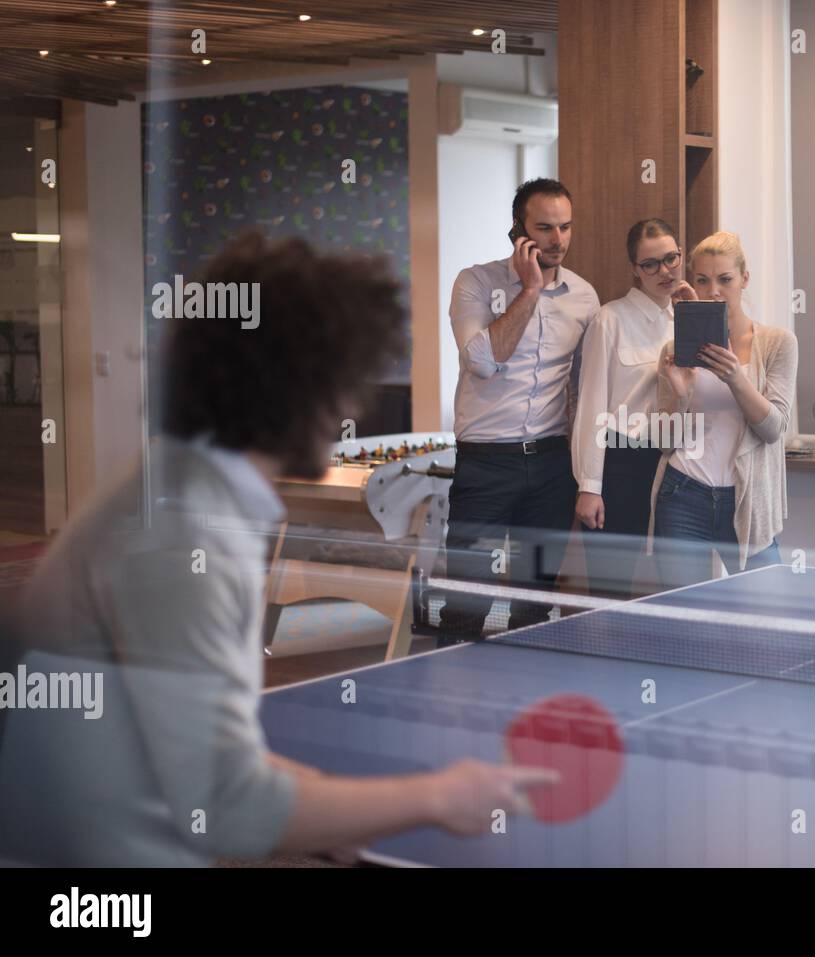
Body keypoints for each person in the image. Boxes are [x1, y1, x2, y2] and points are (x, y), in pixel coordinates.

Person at [1, 233, 555, 866]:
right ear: (294, 386)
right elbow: (227, 809)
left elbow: (192, 744)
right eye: (343, 380)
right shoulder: (184, 541)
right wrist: (440, 795)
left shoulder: (173, 490)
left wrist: (326, 803)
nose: (352, 403)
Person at [440, 178, 600, 642]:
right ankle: (448, 710)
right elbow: (483, 362)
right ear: (518, 230)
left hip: (551, 464)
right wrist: (529, 291)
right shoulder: (475, 282)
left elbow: (584, 388)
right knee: (467, 603)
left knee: (535, 602)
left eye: (566, 227)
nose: (558, 240)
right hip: (486, 464)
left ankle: (520, 705)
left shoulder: (584, 297)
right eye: (545, 228)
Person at [650, 231, 798, 589]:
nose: (713, 290)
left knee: (764, 623)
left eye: (725, 279)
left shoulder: (778, 343)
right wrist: (682, 393)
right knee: (685, 624)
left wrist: (735, 377)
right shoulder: (675, 348)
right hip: (683, 493)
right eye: (702, 280)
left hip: (746, 500)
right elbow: (663, 443)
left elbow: (774, 428)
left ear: (744, 280)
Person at [572, 218, 696, 598]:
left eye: (671, 259)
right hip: (623, 460)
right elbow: (591, 405)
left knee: (675, 587)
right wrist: (589, 486)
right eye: (651, 264)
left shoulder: (689, 317)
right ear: (635, 269)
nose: (665, 271)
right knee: (611, 588)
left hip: (678, 464)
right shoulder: (610, 319)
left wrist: (698, 315)